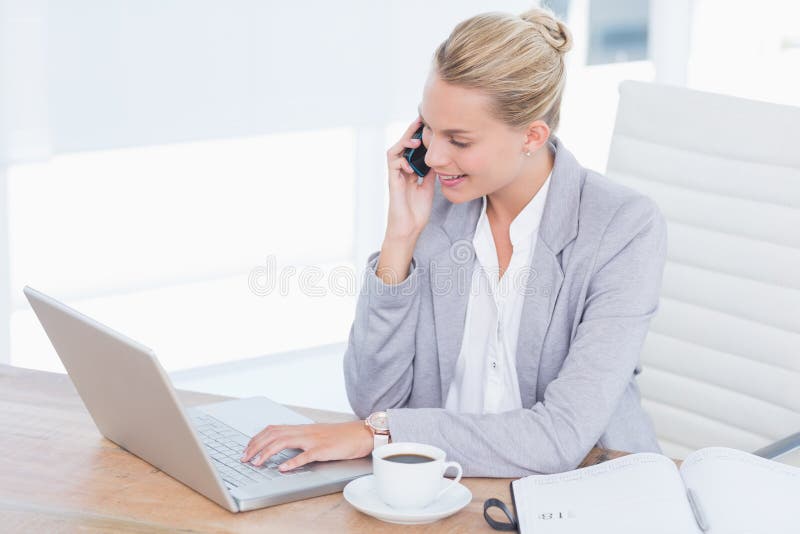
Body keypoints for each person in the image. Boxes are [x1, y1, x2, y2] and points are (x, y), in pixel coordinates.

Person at [241, 6, 667, 477]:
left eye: (459, 141)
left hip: (587, 494)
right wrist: (399, 238)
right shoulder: (437, 208)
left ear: (532, 135)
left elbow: (559, 438)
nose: (435, 156)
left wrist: (381, 434)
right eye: (428, 129)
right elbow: (376, 401)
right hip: (445, 487)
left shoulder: (623, 227)